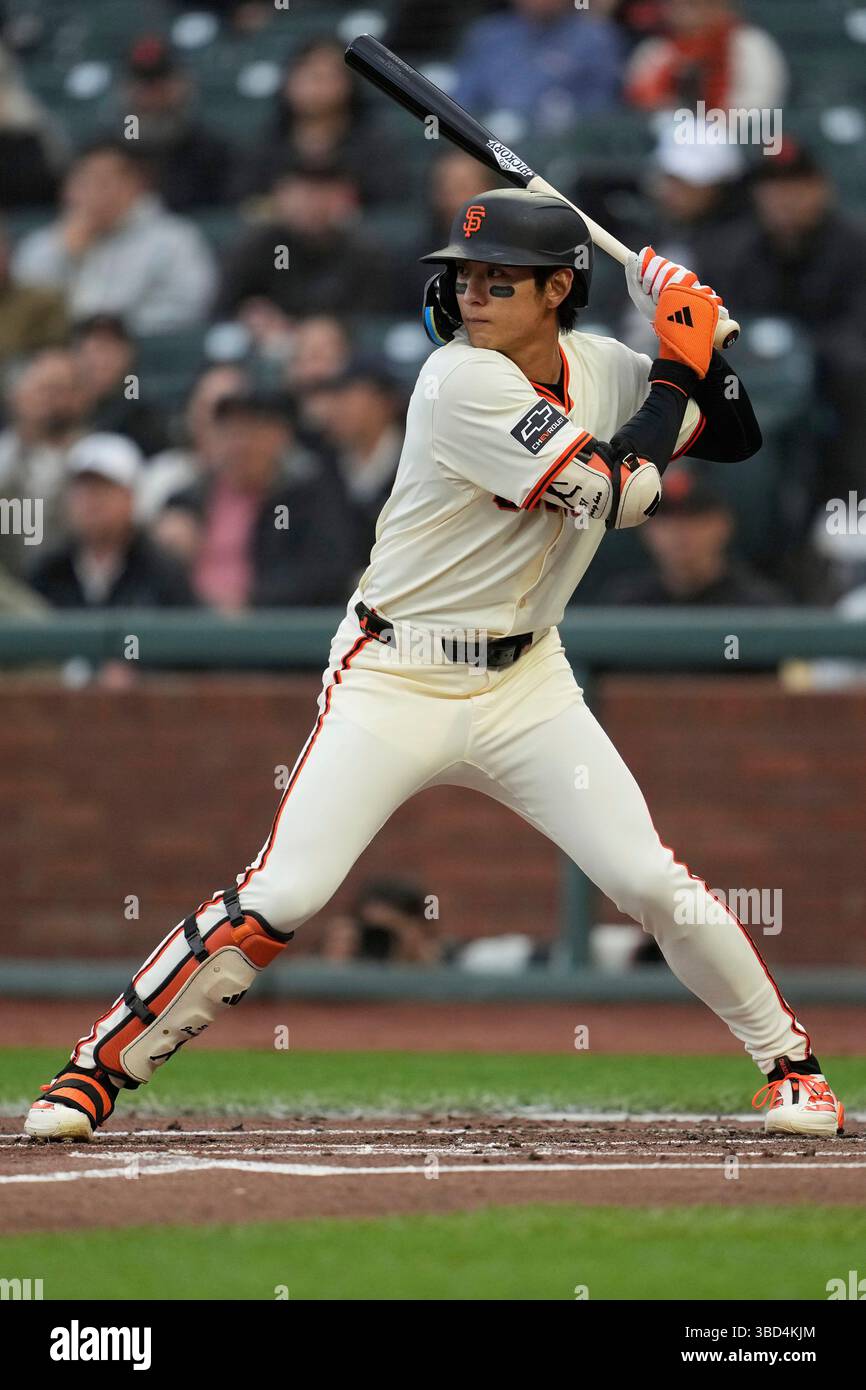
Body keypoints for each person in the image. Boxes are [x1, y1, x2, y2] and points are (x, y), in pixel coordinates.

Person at [25, 187, 843, 1144]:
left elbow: (734, 434)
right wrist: (678, 363)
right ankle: (94, 1071)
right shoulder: (458, 381)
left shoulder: (605, 367)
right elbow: (617, 496)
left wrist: (703, 346)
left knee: (651, 883)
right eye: (464, 278)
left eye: (501, 280)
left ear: (557, 290)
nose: (473, 295)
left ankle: (792, 1067)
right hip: (395, 676)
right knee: (284, 893)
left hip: (527, 680)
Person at [159, 390, 356, 609]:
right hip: (190, 623)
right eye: (230, 431)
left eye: (251, 431)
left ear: (280, 436)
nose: (239, 444)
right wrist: (160, 542)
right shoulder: (188, 498)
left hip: (272, 632)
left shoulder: (309, 500)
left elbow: (327, 574)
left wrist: (250, 601)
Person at [12, 140, 217, 333]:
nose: (93, 193)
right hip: (63, 359)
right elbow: (26, 313)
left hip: (143, 355)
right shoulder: (43, 246)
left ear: (135, 185)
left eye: (104, 182)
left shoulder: (175, 239)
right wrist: (65, 256)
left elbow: (186, 306)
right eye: (84, 182)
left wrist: (111, 335)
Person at [28, 433, 196, 608]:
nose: (90, 502)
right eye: (81, 490)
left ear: (130, 498)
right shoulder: (48, 573)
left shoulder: (163, 572)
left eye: (103, 490)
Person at [606, 467, 791, 605]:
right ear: (646, 530)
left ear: (723, 525)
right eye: (666, 520)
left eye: (695, 518)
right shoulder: (624, 606)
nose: (680, 533)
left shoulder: (762, 609)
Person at [454, 0, 624, 133]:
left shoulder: (594, 38)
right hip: (489, 143)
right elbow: (463, 99)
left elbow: (601, 108)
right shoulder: (488, 35)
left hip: (562, 146)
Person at [107, 34, 232, 211]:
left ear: (183, 85)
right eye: (143, 84)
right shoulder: (106, 151)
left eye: (160, 83)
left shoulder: (214, 154)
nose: (152, 94)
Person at [625, 0, 788, 111]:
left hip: (733, 138)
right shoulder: (655, 48)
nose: (683, 10)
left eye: (694, 4)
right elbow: (639, 101)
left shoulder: (748, 42)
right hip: (670, 139)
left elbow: (761, 101)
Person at [71, 314, 169, 457]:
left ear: (128, 355)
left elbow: (134, 399)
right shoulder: (65, 403)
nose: (101, 360)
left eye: (110, 350)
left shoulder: (138, 411)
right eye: (95, 349)